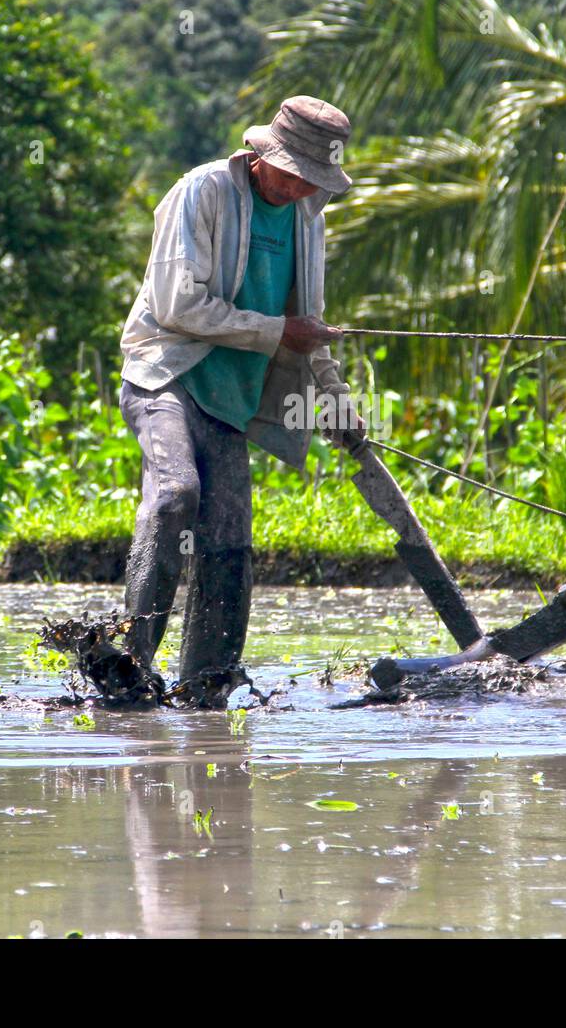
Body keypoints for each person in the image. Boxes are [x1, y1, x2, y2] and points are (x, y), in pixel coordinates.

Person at [118, 96, 364, 701]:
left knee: (229, 541)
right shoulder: (200, 192)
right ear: (261, 155)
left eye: (313, 179)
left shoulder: (308, 216)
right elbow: (178, 305)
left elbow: (310, 323)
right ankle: (128, 668)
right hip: (166, 376)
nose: (301, 186)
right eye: (293, 172)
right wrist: (282, 333)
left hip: (230, 400)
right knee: (177, 495)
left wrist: (332, 399)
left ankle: (205, 689)